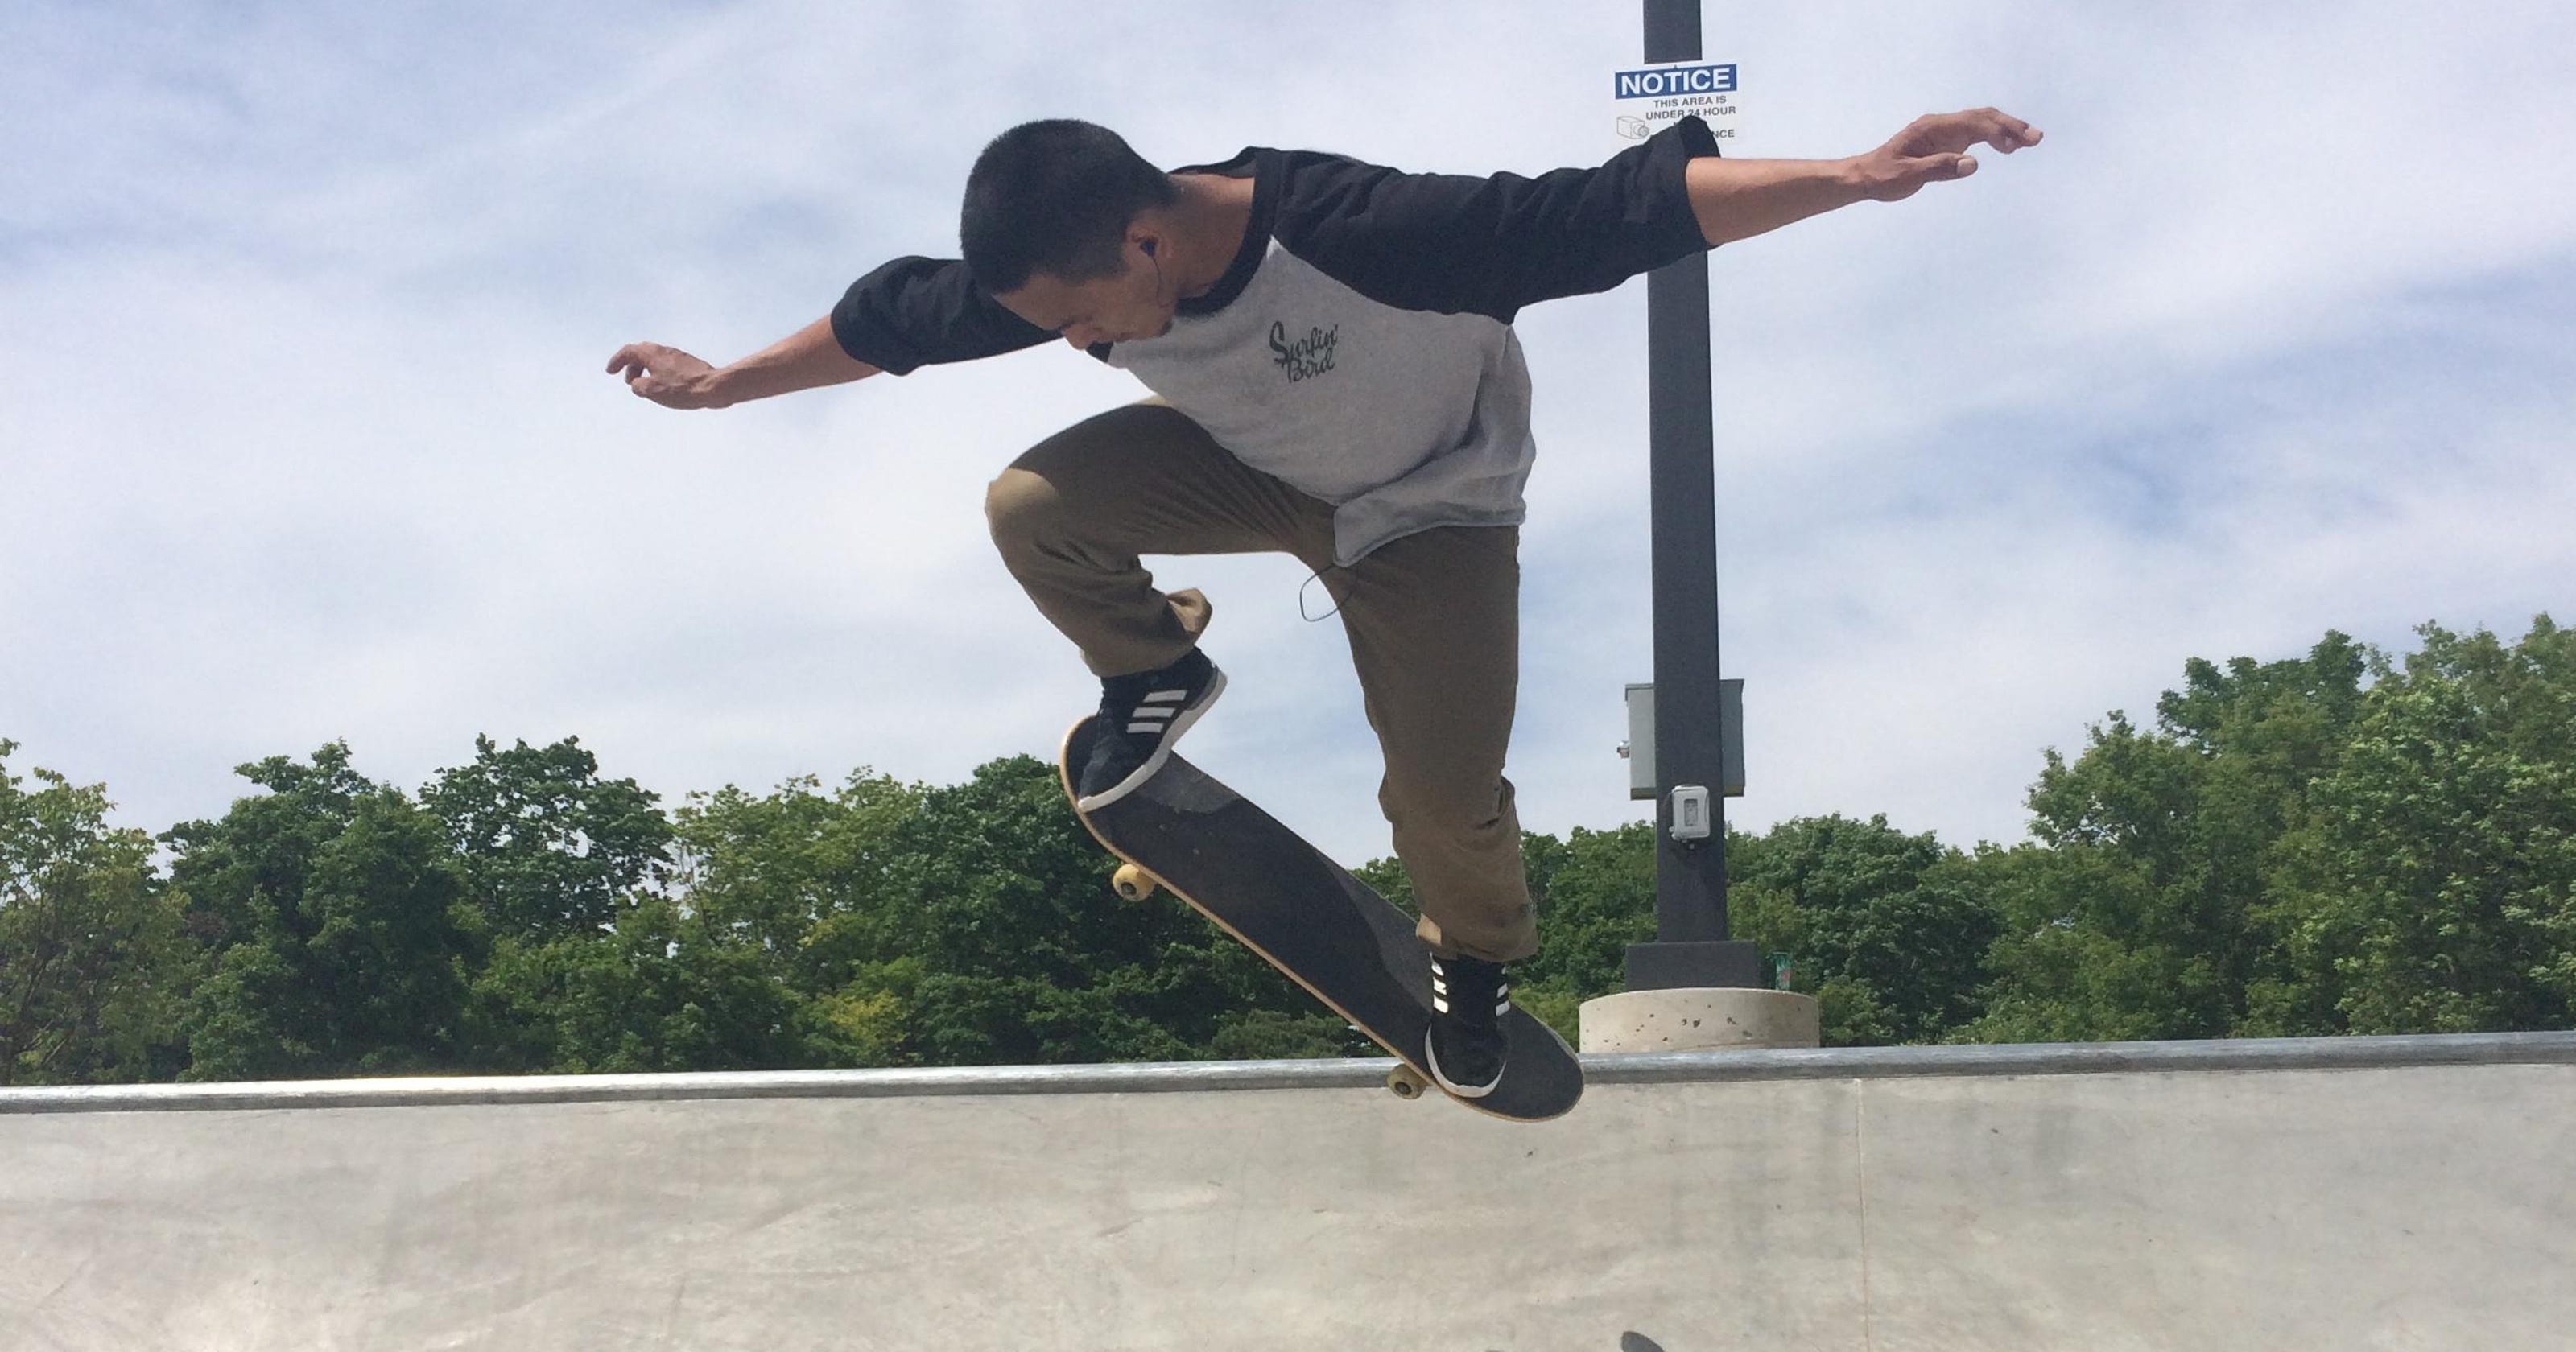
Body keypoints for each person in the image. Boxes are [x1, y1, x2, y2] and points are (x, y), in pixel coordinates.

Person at [606, 107, 2041, 1098]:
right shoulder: (1059, 266)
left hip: (1431, 512)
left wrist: (1854, 175)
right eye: (1055, 328)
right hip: (1243, 474)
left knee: (1441, 791)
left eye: (1087, 316)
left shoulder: (1365, 229)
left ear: (1149, 240)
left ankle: (1470, 969)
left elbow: (1606, 213)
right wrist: (728, 380)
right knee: (1033, 510)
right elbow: (883, 321)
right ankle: (1156, 671)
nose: (1081, 342)